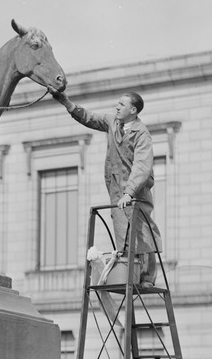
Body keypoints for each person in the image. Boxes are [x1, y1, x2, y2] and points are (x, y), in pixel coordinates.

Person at [50, 89, 162, 287]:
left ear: (133, 110)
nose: (117, 107)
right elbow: (90, 118)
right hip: (117, 189)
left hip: (136, 191)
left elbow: (142, 166)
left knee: (142, 229)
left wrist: (130, 192)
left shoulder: (141, 134)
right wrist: (66, 102)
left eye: (122, 104)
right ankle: (130, 273)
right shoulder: (113, 123)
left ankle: (147, 277)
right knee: (122, 230)